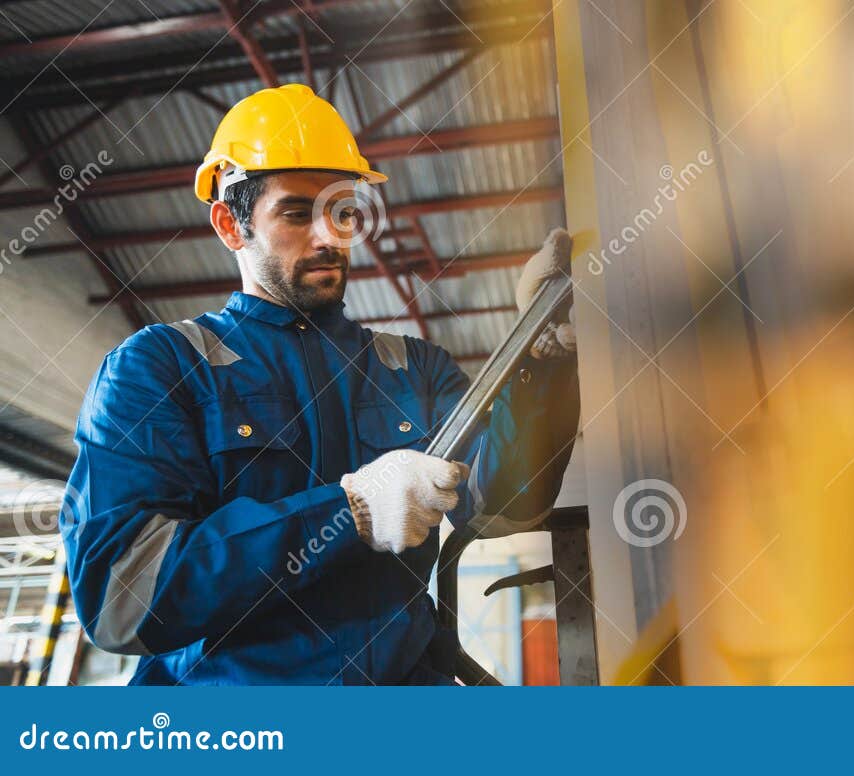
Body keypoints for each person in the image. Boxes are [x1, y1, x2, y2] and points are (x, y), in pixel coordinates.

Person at [59, 83, 579, 685]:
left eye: (343, 210)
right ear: (231, 224)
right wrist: (347, 512)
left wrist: (538, 363)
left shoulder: (413, 367)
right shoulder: (161, 369)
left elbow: (506, 509)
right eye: (297, 212)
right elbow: (122, 598)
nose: (331, 235)